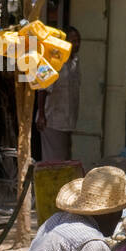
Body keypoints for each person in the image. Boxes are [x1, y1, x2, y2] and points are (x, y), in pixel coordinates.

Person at [36, 26, 80, 162]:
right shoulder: (52, 61)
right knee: (53, 162)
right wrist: (41, 114)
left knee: (64, 160)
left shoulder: (75, 62)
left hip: (67, 122)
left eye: (78, 41)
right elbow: (41, 87)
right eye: (73, 41)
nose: (76, 44)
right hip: (52, 121)